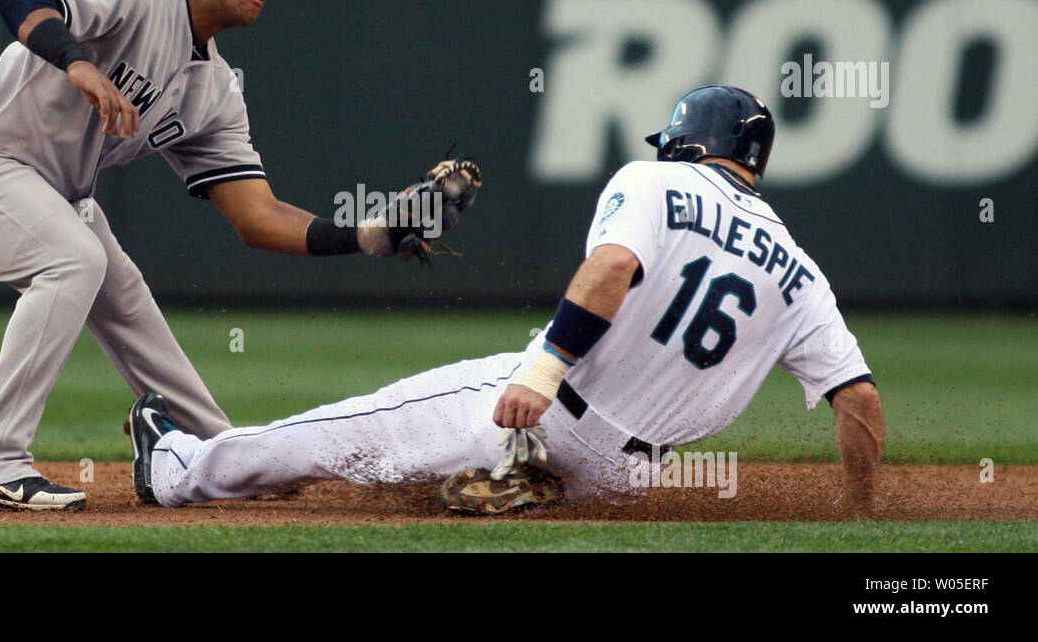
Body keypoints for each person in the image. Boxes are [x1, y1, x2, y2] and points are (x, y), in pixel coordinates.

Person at [0, 0, 463, 511]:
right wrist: (79, 63)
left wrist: (372, 234)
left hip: (52, 192)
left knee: (125, 299)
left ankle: (227, 456)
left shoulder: (214, 90)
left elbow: (257, 217)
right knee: (73, 261)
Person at [132, 85, 886, 516]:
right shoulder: (801, 270)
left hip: (552, 407)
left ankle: (176, 468)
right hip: (632, 476)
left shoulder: (658, 181)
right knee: (412, 461)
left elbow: (613, 267)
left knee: (344, 431)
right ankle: (523, 479)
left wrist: (542, 372)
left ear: (688, 142)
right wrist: (857, 511)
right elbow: (859, 402)